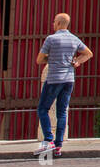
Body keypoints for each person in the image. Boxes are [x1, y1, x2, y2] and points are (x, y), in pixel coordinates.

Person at [34, 12, 92, 157]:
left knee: (42, 109)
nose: (53, 24)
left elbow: (39, 59)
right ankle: (59, 145)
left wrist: (51, 58)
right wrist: (77, 62)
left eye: (54, 22)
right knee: (62, 112)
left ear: (59, 23)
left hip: (54, 79)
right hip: (69, 79)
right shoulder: (74, 39)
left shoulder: (51, 39)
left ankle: (49, 140)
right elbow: (88, 53)